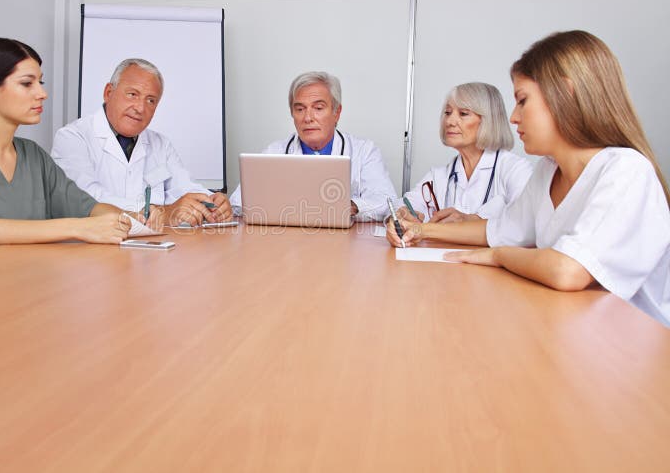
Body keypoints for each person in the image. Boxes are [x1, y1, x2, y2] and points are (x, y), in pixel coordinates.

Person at [387, 30, 670, 327]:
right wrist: (419, 230)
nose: (513, 117)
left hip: (637, 349)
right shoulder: (548, 171)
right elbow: (498, 230)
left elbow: (567, 270)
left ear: (566, 94)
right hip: (576, 329)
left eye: (522, 101)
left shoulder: (625, 170)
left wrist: (500, 257)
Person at [0, 37, 140, 262]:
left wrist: (129, 219)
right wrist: (79, 228)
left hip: (17, 281)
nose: (42, 93)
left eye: (40, 82)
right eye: (27, 83)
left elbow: (89, 209)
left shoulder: (33, 156)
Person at [51, 59, 232, 226]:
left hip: (150, 249)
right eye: (132, 94)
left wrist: (212, 201)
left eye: (151, 100)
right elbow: (86, 200)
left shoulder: (160, 144)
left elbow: (183, 186)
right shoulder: (72, 138)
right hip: (90, 250)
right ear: (108, 92)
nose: (140, 108)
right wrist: (162, 213)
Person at [230, 71, 396, 221]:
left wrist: (351, 206)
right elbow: (237, 202)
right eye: (300, 109)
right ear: (292, 114)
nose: (308, 118)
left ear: (336, 112)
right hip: (288, 244)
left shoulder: (364, 151)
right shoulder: (275, 152)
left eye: (318, 108)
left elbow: (387, 202)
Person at [396, 83, 532, 223]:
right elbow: (403, 204)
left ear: (489, 120)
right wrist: (403, 214)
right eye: (448, 113)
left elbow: (525, 224)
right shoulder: (438, 176)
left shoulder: (515, 169)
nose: (450, 121)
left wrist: (471, 220)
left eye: (463, 114)